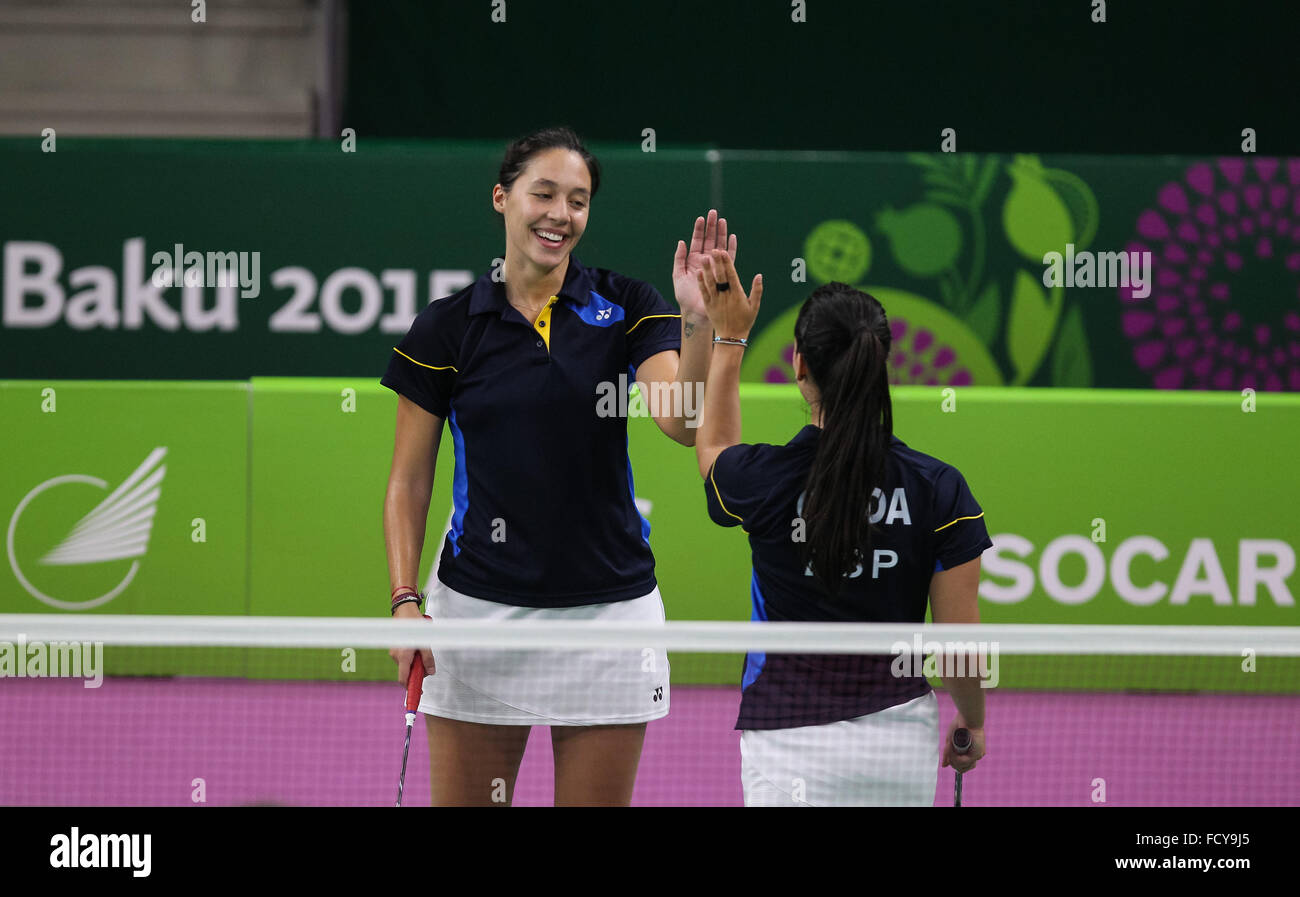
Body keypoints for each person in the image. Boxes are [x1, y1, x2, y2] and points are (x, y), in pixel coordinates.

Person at [381, 126, 737, 806]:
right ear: (501, 198)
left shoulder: (627, 305)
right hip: (478, 614)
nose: (560, 214)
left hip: (608, 618)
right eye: (542, 193)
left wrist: (696, 322)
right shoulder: (448, 327)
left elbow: (682, 420)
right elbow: (409, 479)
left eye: (578, 200)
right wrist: (404, 601)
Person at [693, 250, 991, 806]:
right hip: (898, 742)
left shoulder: (763, 479)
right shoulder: (939, 488)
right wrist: (971, 724)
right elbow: (958, 648)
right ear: (882, 367)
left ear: (799, 365)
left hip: (786, 739)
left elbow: (712, 450)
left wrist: (730, 338)